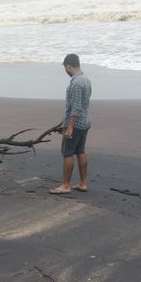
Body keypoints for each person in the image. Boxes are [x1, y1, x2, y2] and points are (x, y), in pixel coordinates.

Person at [50, 53, 91, 194]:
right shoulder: (86, 80)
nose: (66, 71)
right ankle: (83, 183)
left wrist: (70, 127)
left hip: (76, 124)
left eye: (65, 68)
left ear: (68, 66)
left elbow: (76, 107)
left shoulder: (76, 83)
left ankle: (65, 185)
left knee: (67, 153)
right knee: (81, 151)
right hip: (85, 121)